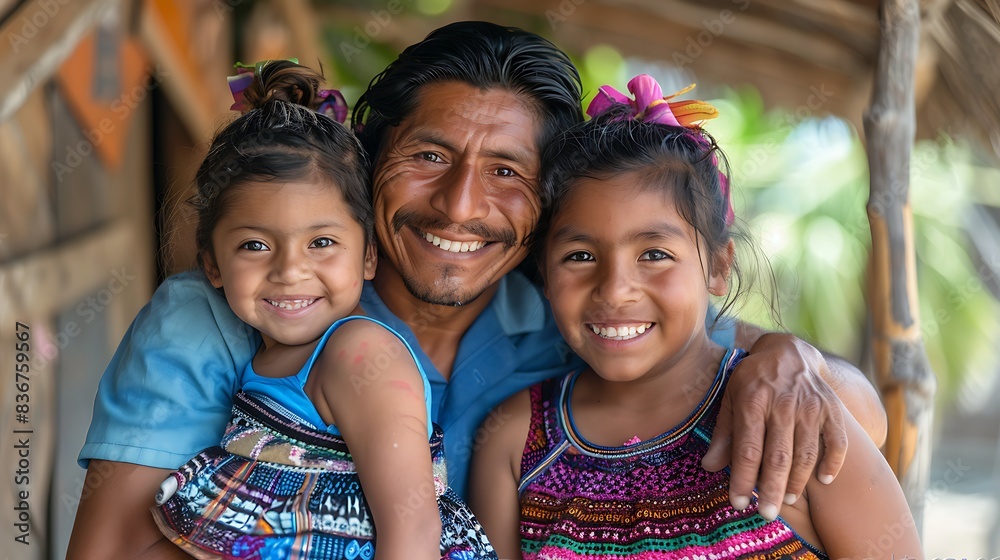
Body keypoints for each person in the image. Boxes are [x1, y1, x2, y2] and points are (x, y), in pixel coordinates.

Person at [68, 22, 886, 559]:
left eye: (506, 172)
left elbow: (838, 408)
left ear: (546, 208)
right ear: (364, 161)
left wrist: (789, 353)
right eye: (427, 156)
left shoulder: (575, 309)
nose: (460, 205)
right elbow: (103, 549)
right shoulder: (220, 316)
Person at [469, 76, 922, 559]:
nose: (615, 289)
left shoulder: (787, 412)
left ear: (719, 267)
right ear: (543, 271)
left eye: (655, 254)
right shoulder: (517, 439)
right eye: (579, 256)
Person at [145, 60, 495, 559]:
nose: (290, 270)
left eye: (322, 242)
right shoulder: (257, 359)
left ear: (369, 255)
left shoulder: (359, 354)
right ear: (213, 265)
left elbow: (413, 531)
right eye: (254, 246)